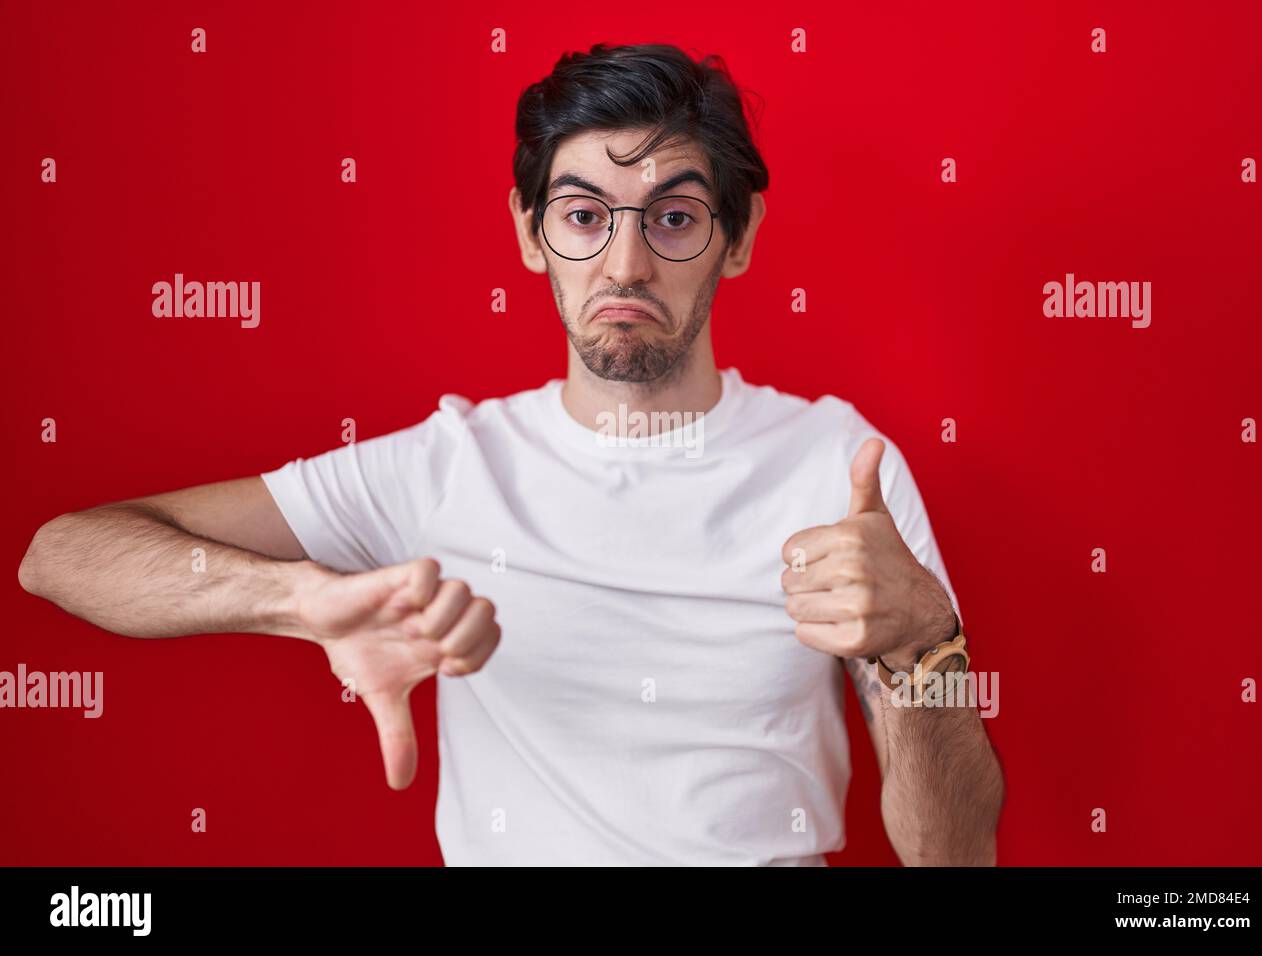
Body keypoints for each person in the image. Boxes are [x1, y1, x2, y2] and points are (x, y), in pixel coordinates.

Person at [18, 42, 1003, 866]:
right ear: (530, 235)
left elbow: (953, 854)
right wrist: (299, 598)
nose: (624, 264)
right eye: (583, 216)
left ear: (735, 239)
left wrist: (924, 645)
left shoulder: (838, 464)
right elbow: (60, 552)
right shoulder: (445, 466)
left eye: (672, 217)